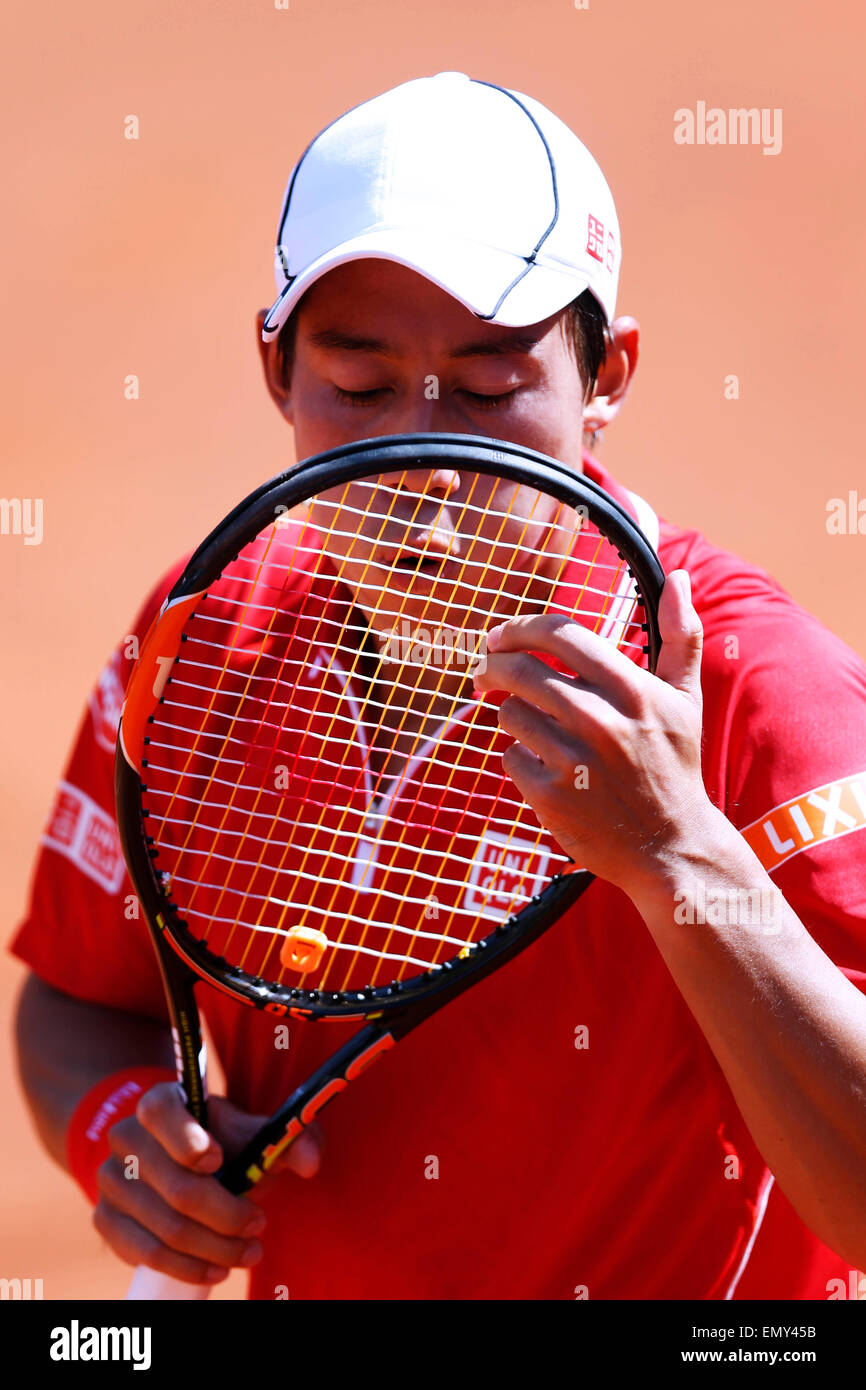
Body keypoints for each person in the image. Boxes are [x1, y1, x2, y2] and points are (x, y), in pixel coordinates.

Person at [12, 72, 866, 1300]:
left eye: (486, 390)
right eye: (359, 391)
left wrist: (680, 855)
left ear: (607, 371)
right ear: (274, 372)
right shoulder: (201, 641)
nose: (428, 467)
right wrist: (121, 1132)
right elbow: (77, 1002)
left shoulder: (758, 692)